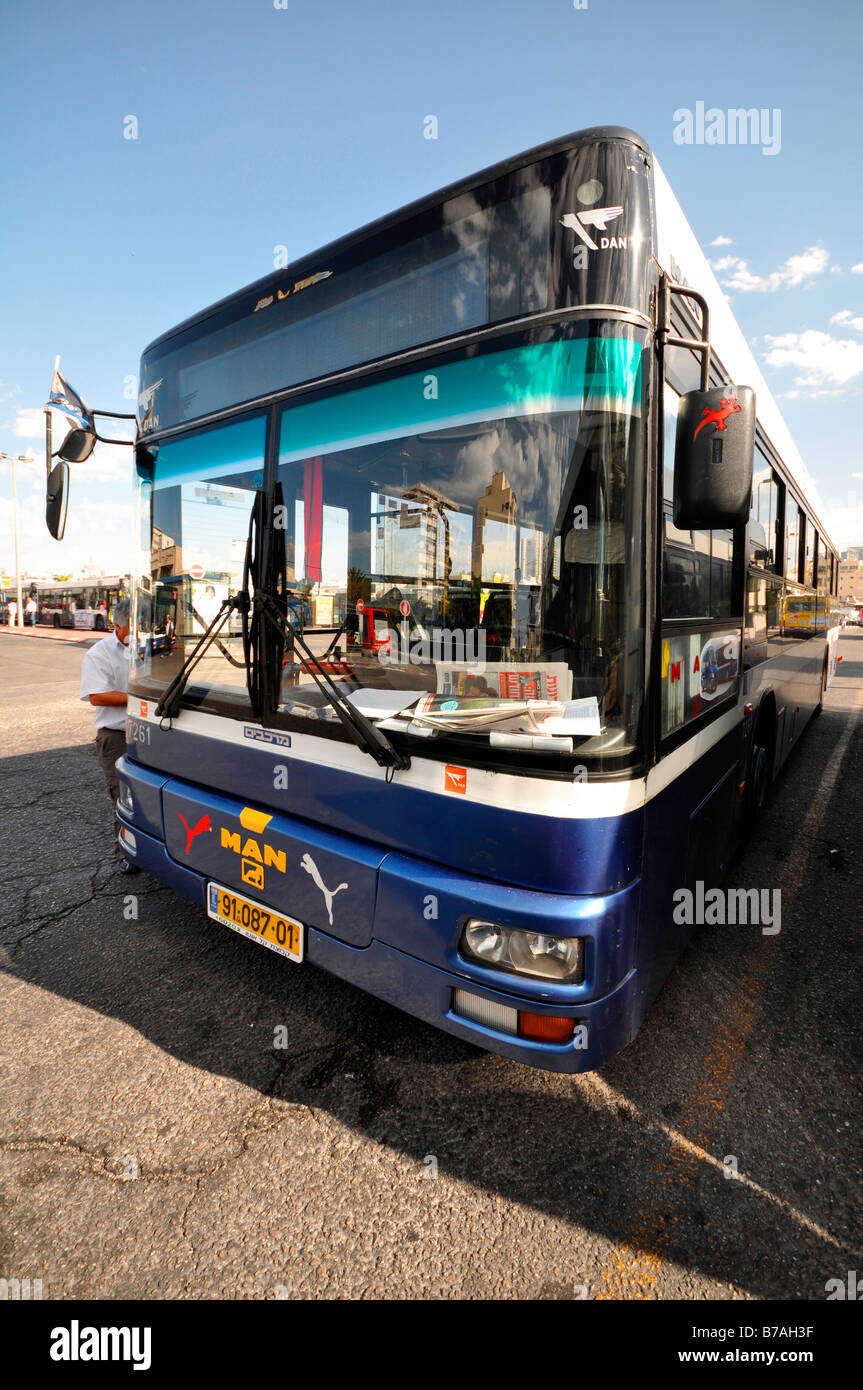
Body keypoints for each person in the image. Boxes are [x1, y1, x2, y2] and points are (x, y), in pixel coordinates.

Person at [79, 599, 140, 875]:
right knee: (123, 796)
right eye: (133, 626)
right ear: (118, 624)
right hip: (116, 737)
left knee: (148, 796)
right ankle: (125, 852)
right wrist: (141, 698)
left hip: (149, 734)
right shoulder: (99, 653)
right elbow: (97, 695)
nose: (138, 632)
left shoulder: (149, 648)